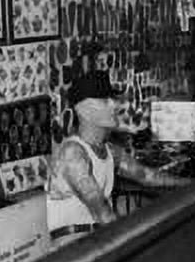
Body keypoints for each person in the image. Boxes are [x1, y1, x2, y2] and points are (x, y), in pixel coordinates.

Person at [46, 70, 187, 246]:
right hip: (70, 252)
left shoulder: (109, 150)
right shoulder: (73, 153)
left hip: (94, 242)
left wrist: (189, 184)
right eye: (105, 100)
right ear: (85, 110)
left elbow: (146, 175)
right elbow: (101, 211)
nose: (115, 106)